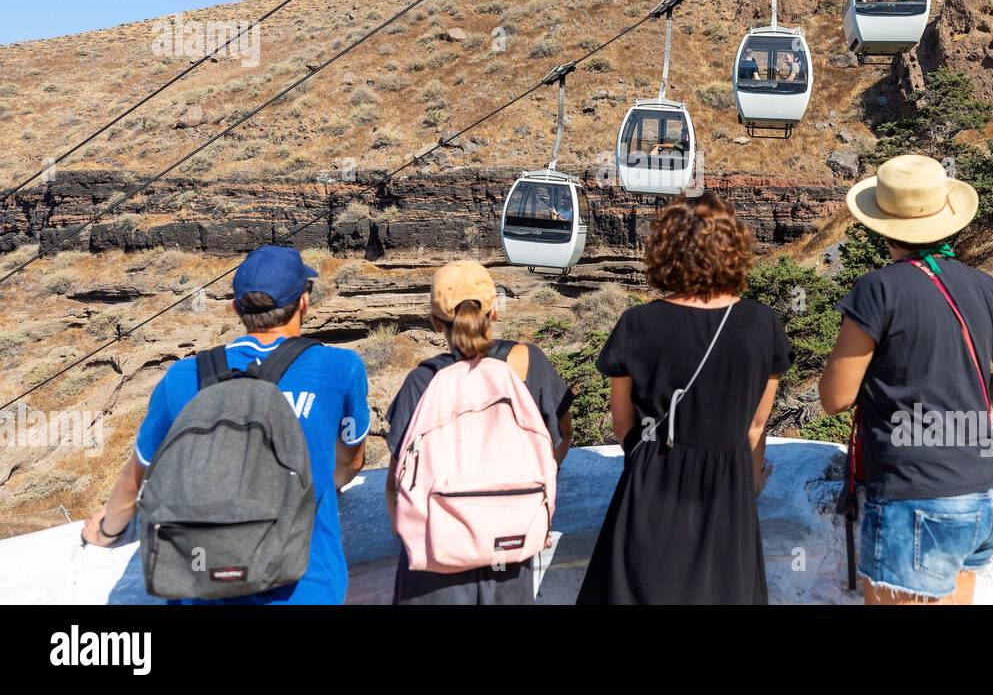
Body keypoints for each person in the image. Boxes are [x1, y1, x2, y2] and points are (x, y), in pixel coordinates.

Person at [81, 245, 371, 605]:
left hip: (202, 585)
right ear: (304, 303)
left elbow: (135, 478)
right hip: (307, 585)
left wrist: (108, 530)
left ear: (237, 308)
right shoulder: (340, 367)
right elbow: (349, 463)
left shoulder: (184, 377)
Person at [818, 155, 993, 606]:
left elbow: (834, 397)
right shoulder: (985, 286)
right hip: (983, 497)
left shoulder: (878, 290)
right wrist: (964, 386)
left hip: (915, 498)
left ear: (881, 226)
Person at [577, 192, 790, 604]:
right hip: (728, 490)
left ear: (666, 249)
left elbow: (623, 424)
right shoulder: (762, 323)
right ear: (734, 248)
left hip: (652, 479)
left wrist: (648, 465)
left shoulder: (637, 324)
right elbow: (756, 426)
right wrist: (749, 477)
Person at [385, 260, 573, 604]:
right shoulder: (528, 362)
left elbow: (396, 482)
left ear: (434, 320)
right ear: (494, 312)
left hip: (437, 565)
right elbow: (563, 435)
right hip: (510, 552)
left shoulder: (422, 382)